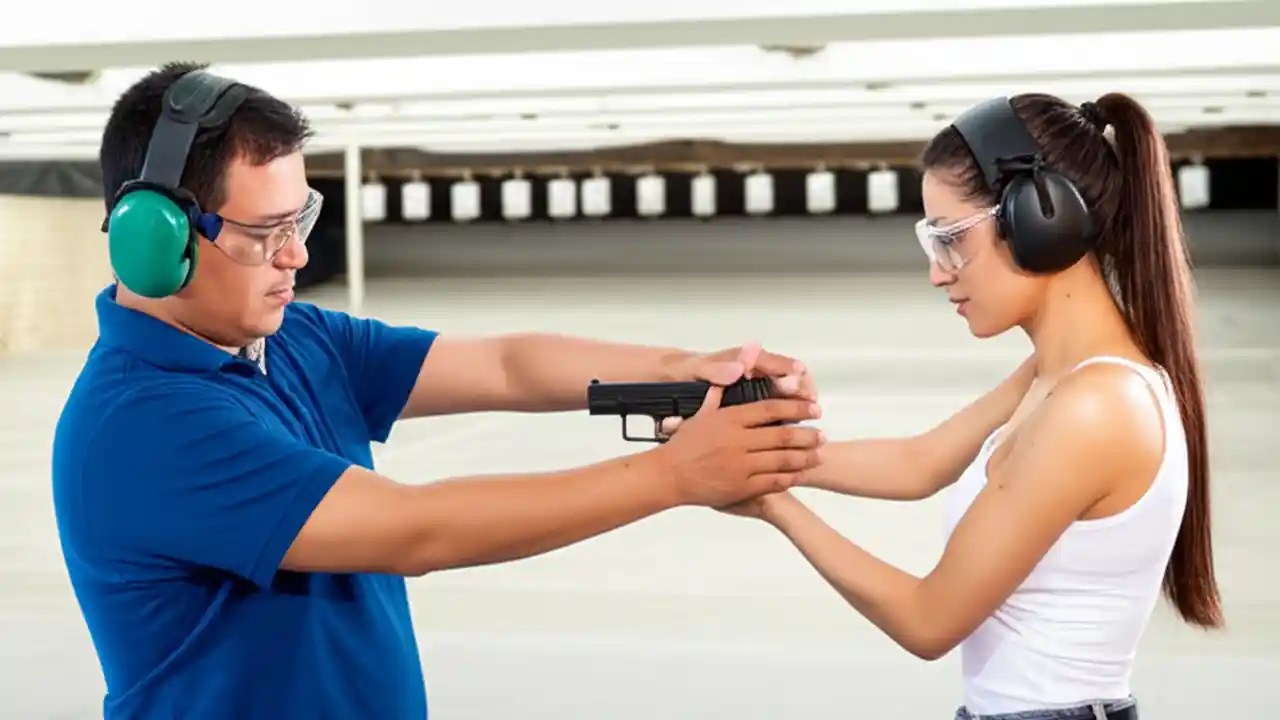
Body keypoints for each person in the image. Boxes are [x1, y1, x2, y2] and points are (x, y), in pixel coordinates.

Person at [50, 62, 824, 720]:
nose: (298, 255)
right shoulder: (141, 425)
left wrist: (682, 369)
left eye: (302, 219)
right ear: (153, 242)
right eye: (265, 234)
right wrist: (673, 475)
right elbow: (420, 529)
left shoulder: (289, 337)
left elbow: (504, 366)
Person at [714, 93, 1224, 719]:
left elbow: (930, 621)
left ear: (1041, 218)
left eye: (953, 240)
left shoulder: (1096, 406)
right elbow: (920, 463)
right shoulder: (1061, 372)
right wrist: (751, 444)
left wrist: (772, 505)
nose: (938, 272)